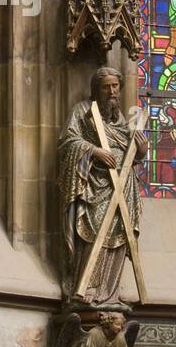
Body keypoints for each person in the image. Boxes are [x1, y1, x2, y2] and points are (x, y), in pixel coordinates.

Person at [57, 67, 147, 306]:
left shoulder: (123, 120)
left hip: (123, 185)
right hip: (94, 186)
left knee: (118, 236)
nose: (111, 91)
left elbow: (132, 155)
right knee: (93, 233)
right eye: (106, 87)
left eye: (115, 86)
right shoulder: (82, 111)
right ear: (97, 89)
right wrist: (94, 151)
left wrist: (142, 151)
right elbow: (67, 142)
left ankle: (109, 293)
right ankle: (86, 289)